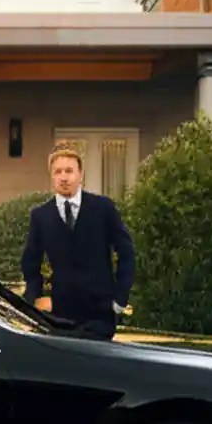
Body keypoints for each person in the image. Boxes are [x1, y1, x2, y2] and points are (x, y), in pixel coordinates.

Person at [20, 146, 136, 340]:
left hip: (100, 313)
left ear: (80, 175)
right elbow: (31, 261)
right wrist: (35, 298)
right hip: (60, 315)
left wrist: (120, 298)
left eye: (69, 171)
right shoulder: (41, 216)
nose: (64, 177)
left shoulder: (103, 208)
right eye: (58, 172)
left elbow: (126, 252)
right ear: (52, 177)